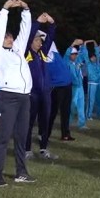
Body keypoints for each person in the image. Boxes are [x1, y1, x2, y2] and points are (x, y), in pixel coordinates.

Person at [0, 0, 36, 187]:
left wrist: (25, 10)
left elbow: (25, 32)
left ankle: (21, 173)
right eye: (6, 37)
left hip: (25, 97)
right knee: (4, 137)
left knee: (21, 137)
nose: (9, 38)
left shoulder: (18, 50)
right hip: (8, 97)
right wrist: (5, 10)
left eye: (10, 36)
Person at [25, 14, 57, 160]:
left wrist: (51, 23)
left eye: (40, 41)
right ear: (31, 41)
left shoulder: (42, 54)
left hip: (45, 94)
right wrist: (37, 23)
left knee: (45, 122)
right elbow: (30, 33)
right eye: (37, 40)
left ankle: (44, 149)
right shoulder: (26, 54)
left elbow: (50, 36)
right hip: (33, 94)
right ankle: (27, 150)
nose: (39, 43)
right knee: (29, 122)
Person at [48, 42, 74, 141]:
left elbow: (49, 37)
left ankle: (65, 135)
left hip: (68, 85)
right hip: (57, 87)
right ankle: (45, 134)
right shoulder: (43, 58)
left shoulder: (55, 53)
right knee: (52, 112)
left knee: (66, 111)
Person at [64, 41, 87, 129]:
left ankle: (82, 124)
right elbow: (66, 54)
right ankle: (68, 122)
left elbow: (84, 54)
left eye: (75, 54)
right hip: (72, 87)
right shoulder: (66, 62)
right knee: (72, 105)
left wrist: (82, 45)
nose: (75, 55)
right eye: (73, 54)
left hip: (80, 86)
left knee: (81, 105)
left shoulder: (77, 61)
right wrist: (73, 44)